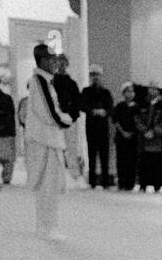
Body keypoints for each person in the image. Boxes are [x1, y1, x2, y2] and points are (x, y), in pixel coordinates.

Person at [25, 43, 72, 241]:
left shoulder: (46, 81)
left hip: (49, 140)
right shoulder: (39, 81)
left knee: (51, 185)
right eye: (52, 59)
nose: (55, 63)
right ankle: (46, 227)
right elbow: (49, 113)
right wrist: (66, 119)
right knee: (48, 186)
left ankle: (48, 225)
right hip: (44, 141)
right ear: (42, 60)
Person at [79, 64, 113, 188]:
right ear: (90, 76)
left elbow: (111, 108)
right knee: (91, 154)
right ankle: (92, 182)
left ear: (101, 76)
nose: (95, 77)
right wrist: (93, 111)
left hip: (103, 128)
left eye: (97, 75)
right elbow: (82, 106)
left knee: (104, 155)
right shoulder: (86, 91)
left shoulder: (106, 92)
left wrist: (104, 112)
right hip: (91, 127)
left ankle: (105, 182)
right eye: (93, 75)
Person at [52, 54, 82, 182]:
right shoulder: (51, 82)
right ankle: (56, 174)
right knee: (56, 148)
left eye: (63, 62)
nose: (61, 65)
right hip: (55, 120)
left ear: (67, 64)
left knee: (71, 147)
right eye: (59, 62)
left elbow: (77, 102)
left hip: (70, 119)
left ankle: (74, 175)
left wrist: (72, 116)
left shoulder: (72, 84)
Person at [136, 84, 162, 193]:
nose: (152, 90)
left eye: (155, 88)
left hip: (157, 140)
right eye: (150, 88)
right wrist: (145, 131)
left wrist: (154, 132)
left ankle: (157, 185)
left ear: (157, 91)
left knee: (156, 163)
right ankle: (143, 185)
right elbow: (137, 119)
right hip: (144, 139)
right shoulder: (142, 103)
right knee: (144, 162)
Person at [112, 83, 138, 192]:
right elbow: (115, 121)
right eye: (128, 91)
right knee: (121, 160)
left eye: (132, 91)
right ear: (123, 93)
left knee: (132, 160)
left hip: (133, 138)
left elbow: (138, 122)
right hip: (121, 137)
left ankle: (130, 183)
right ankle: (121, 182)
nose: (130, 93)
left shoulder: (137, 107)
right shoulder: (119, 106)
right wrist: (123, 132)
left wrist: (131, 133)